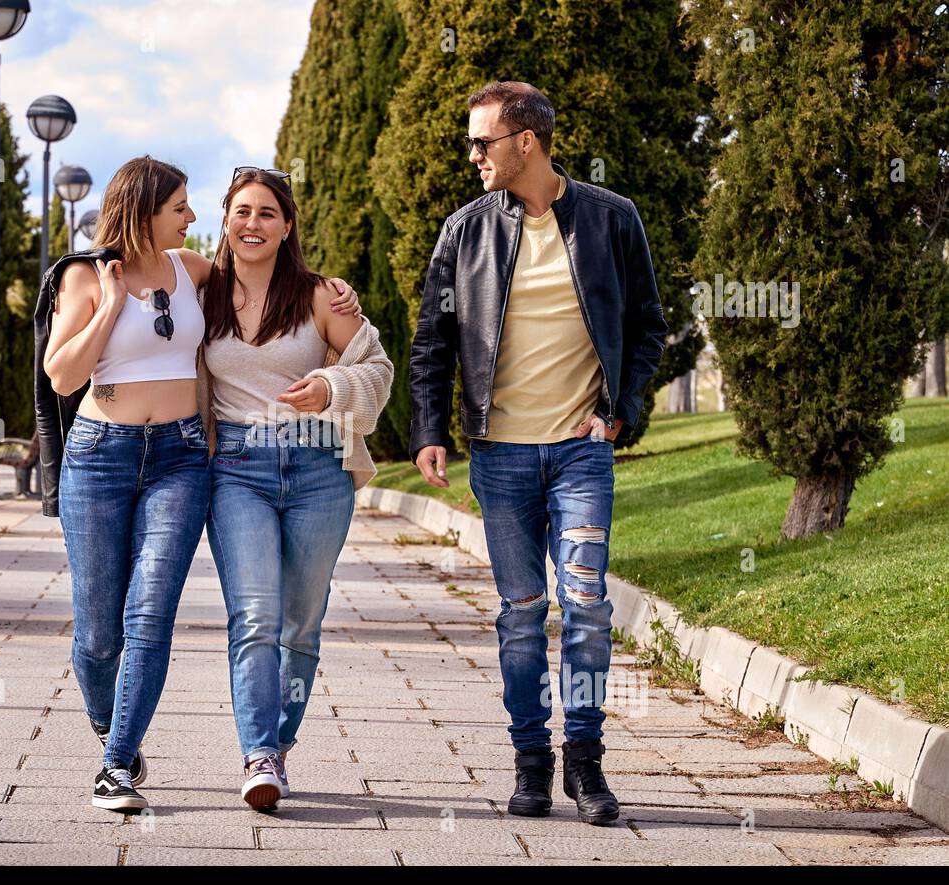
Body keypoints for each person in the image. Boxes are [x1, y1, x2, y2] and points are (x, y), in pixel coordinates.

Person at [39, 157, 361, 813]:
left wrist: (334, 293)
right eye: (181, 208)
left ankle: (117, 764)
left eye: (192, 209)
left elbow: (265, 279)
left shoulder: (191, 271)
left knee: (150, 615)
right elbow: (62, 377)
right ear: (145, 209)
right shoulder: (81, 275)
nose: (193, 220)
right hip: (101, 454)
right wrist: (107, 307)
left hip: (183, 457)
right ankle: (112, 725)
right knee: (99, 634)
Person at [408, 83, 668, 826]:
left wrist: (624, 412)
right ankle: (531, 762)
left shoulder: (613, 219)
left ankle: (586, 766)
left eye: (482, 142)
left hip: (582, 452)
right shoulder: (465, 232)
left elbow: (648, 327)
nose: (472, 155)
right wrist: (430, 430)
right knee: (522, 614)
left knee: (586, 607)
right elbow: (432, 342)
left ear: (527, 142)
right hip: (500, 455)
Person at [198, 167, 393, 810]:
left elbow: (376, 367)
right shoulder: (201, 290)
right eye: (241, 211)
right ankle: (257, 753)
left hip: (317, 471)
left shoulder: (319, 298)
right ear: (225, 219)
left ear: (287, 228)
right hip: (237, 470)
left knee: (301, 624)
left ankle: (277, 748)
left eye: (267, 213)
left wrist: (332, 388)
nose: (252, 223)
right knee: (254, 616)